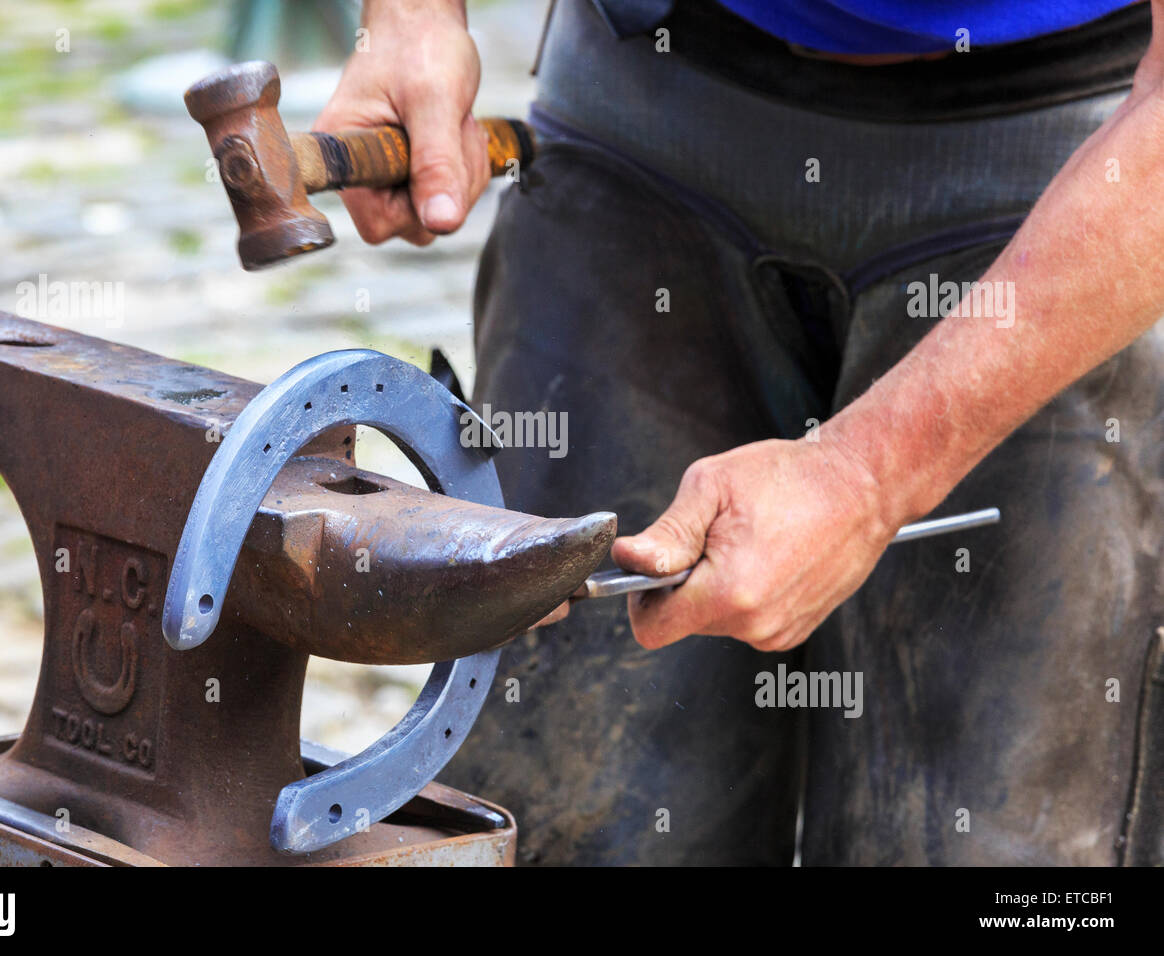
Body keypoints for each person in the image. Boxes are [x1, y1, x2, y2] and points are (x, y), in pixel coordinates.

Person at [314, 0, 1164, 865]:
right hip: (649, 116)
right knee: (575, 826)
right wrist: (411, 19)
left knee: (1005, 857)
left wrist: (864, 478)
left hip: (1064, 165)